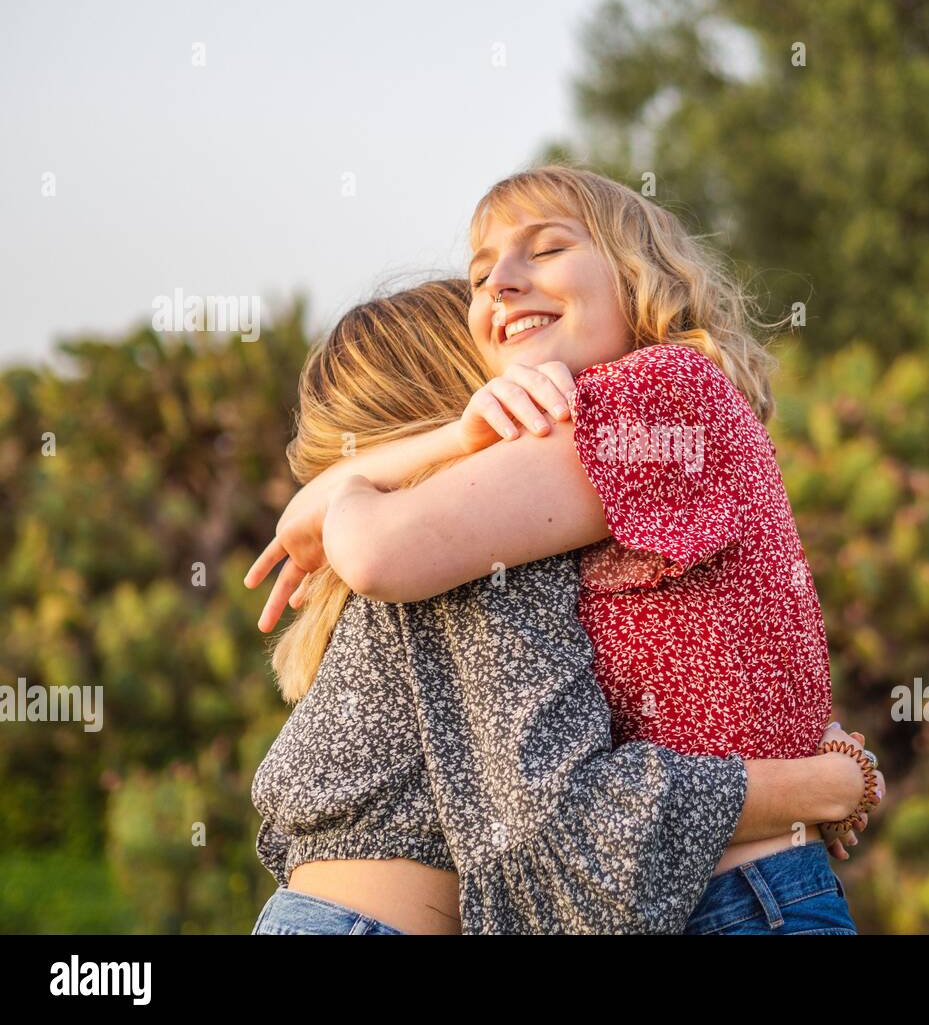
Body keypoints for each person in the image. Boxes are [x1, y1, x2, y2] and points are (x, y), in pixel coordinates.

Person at [252, 166, 883, 934]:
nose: (501, 284)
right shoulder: (524, 539)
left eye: (546, 249)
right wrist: (820, 780)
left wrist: (342, 490)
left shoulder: (662, 391)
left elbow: (383, 548)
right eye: (480, 275)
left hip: (741, 900)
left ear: (639, 276)